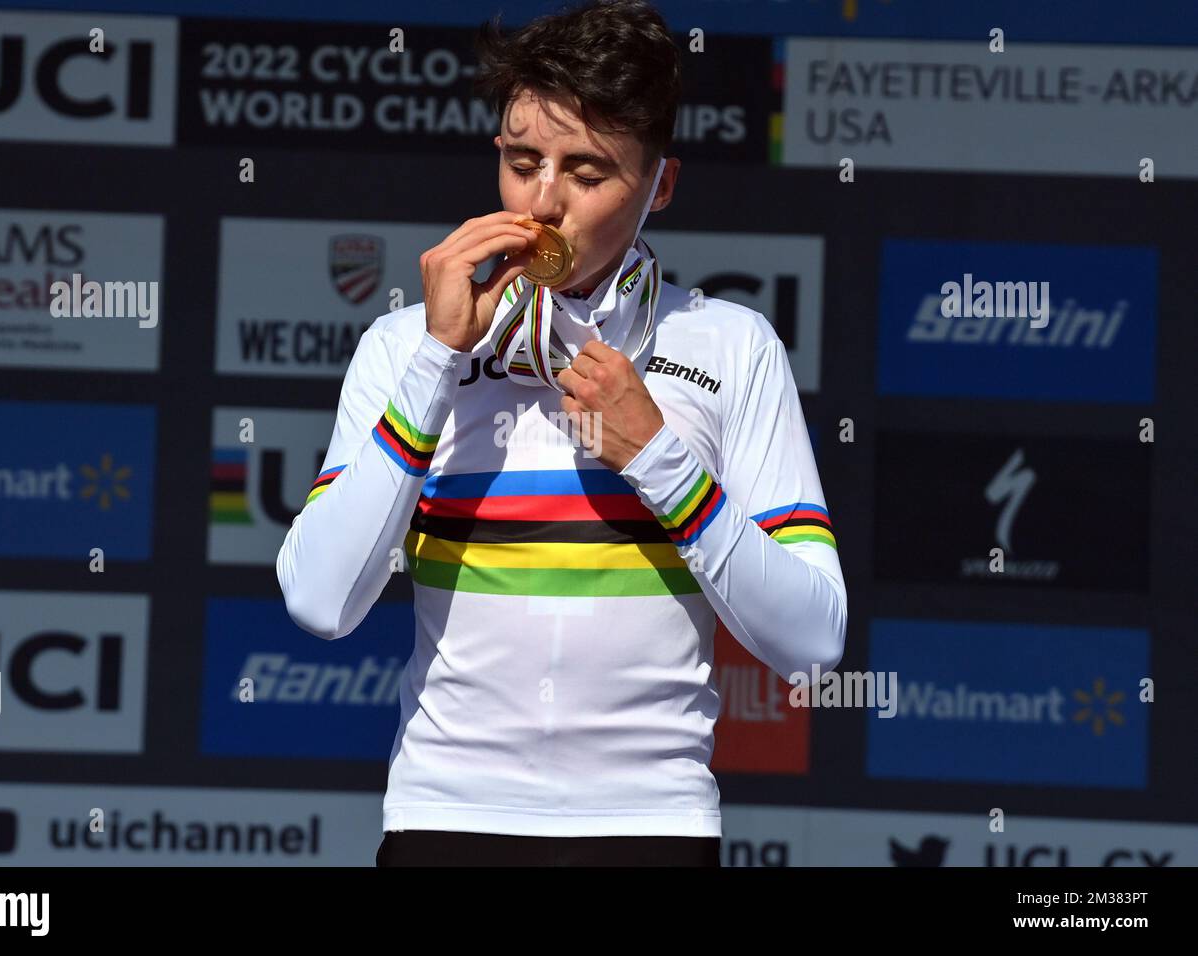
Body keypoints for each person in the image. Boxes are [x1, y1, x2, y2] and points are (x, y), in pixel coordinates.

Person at [277, 0, 847, 867]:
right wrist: (436, 364)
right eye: (521, 162)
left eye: (587, 172)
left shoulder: (731, 347)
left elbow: (812, 643)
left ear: (660, 185)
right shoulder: (404, 345)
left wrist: (660, 461)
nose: (543, 201)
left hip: (651, 826)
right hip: (446, 817)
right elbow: (320, 603)